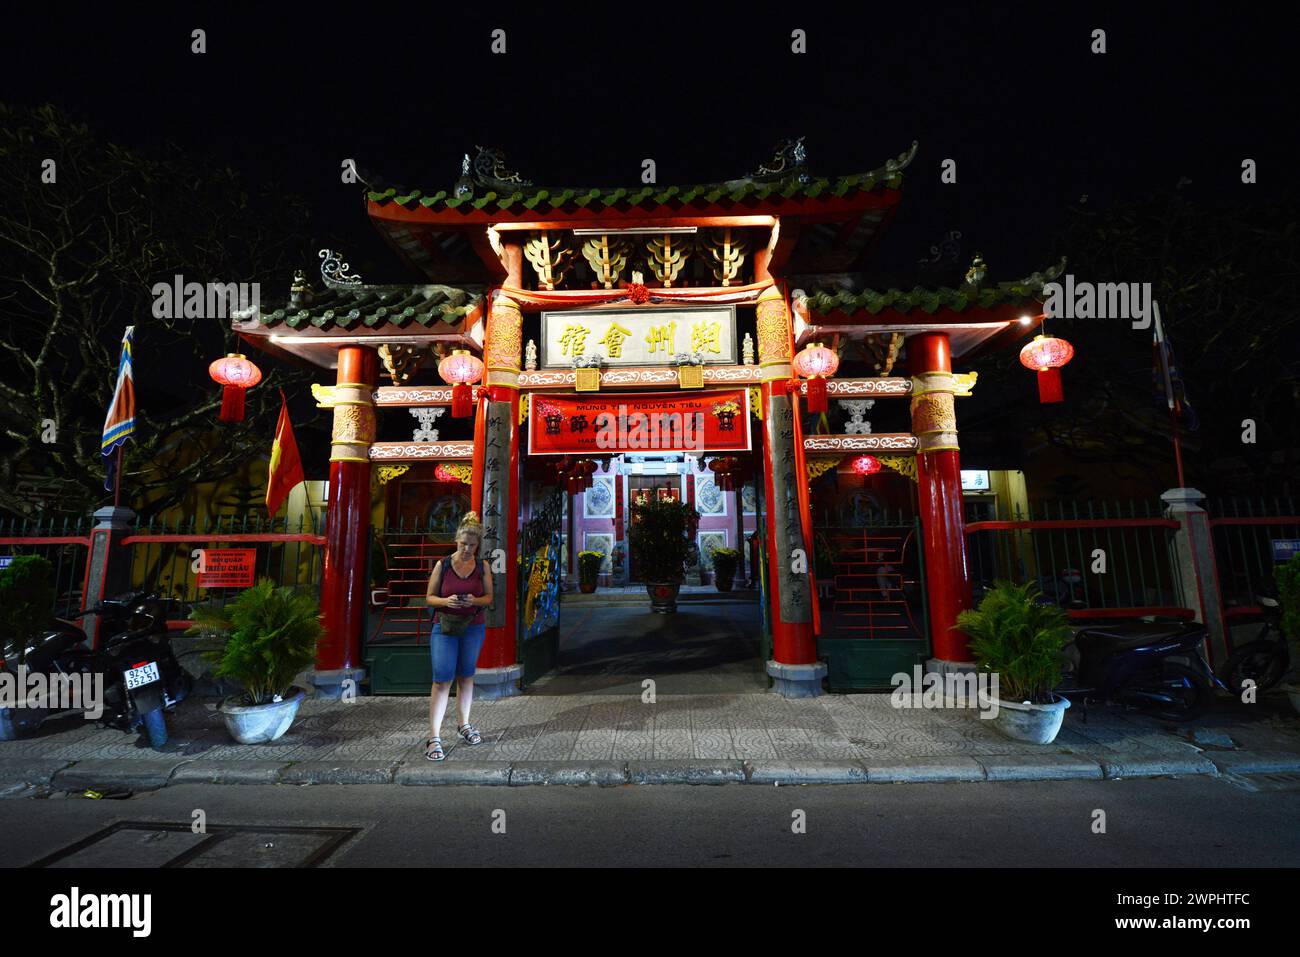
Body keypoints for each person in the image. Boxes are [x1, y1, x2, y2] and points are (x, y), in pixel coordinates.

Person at [424, 511, 493, 761]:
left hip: (473, 626)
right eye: (463, 544)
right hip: (444, 627)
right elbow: (429, 597)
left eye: (472, 545)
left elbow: (488, 598)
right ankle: (434, 738)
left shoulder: (482, 566)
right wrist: (446, 600)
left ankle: (463, 724)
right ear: (456, 540)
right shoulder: (442, 565)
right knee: (442, 680)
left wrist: (474, 600)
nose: (467, 549)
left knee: (466, 676)